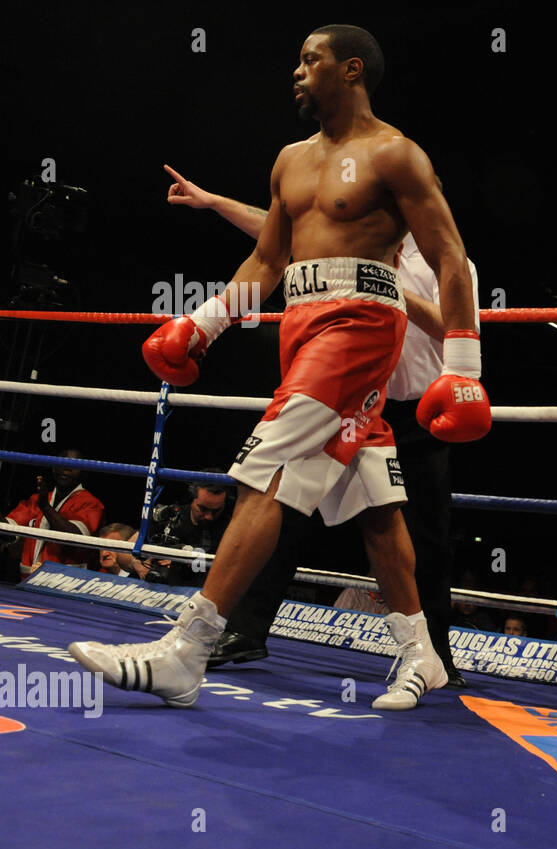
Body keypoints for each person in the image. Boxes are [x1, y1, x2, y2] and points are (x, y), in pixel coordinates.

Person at [68, 24, 490, 711]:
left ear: (351, 70)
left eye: (310, 59)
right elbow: (267, 262)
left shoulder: (396, 154)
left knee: (264, 470)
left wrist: (464, 365)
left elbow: (448, 257)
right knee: (373, 499)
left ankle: (188, 648)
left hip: (358, 327)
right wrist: (202, 324)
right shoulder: (290, 160)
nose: (296, 72)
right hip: (301, 324)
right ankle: (422, 653)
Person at [164, 168, 474, 686]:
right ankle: (238, 632)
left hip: (417, 412)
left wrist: (384, 284)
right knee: (281, 508)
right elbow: (278, 235)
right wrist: (216, 200)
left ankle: (432, 653)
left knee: (416, 533)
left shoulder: (450, 261)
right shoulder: (356, 239)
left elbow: (454, 326)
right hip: (343, 393)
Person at [3, 449, 105, 577]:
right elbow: (7, 531)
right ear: (53, 468)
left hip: (66, 583)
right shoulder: (36, 500)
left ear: (84, 473)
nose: (66, 469)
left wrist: (46, 507)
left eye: (74, 465)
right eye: (62, 463)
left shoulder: (90, 504)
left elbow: (74, 539)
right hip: (27, 580)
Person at [143, 480, 232, 586]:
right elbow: (124, 557)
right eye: (203, 509)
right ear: (191, 500)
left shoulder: (231, 528)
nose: (209, 516)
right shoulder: (171, 516)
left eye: (216, 510)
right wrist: (137, 565)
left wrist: (178, 562)